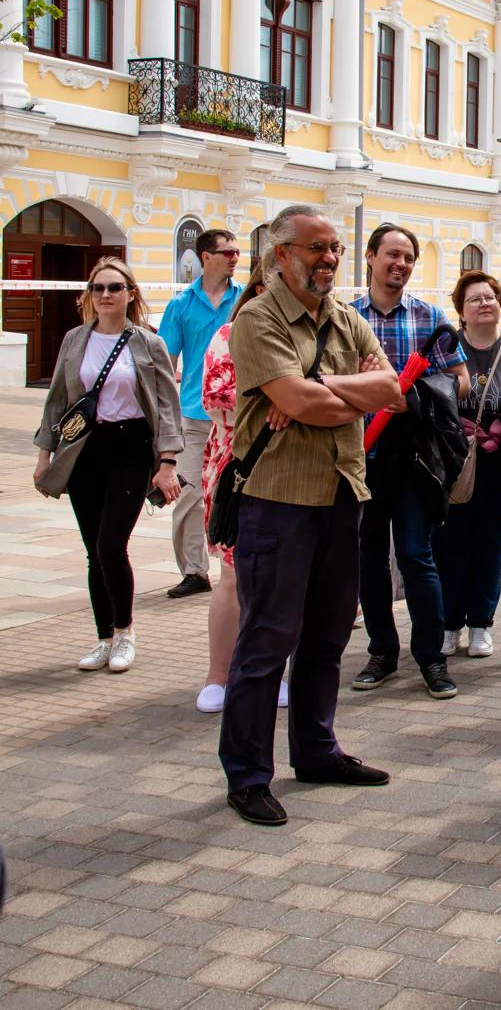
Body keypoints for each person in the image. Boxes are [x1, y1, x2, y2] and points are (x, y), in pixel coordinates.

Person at [220, 205, 400, 827]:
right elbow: (297, 400)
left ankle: (317, 753)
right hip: (277, 499)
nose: (329, 259)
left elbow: (393, 392)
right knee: (267, 640)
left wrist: (316, 390)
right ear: (281, 255)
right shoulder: (258, 318)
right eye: (317, 249)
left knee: (328, 636)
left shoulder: (346, 318)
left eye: (336, 250)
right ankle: (247, 775)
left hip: (341, 493)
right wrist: (320, 393)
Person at [33, 257, 183, 673]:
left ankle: (125, 633)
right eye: (98, 288)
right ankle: (103, 638)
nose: (105, 295)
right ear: (89, 295)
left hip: (132, 448)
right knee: (92, 552)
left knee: (110, 545)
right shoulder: (75, 340)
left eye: (114, 288)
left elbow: (168, 406)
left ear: (130, 294)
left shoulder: (148, 343)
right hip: (85, 450)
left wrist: (167, 462)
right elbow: (58, 402)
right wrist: (44, 455)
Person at [350, 224, 470, 701]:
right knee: (369, 557)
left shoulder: (428, 316)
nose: (399, 264)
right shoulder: (345, 317)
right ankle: (382, 652)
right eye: (392, 255)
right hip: (361, 455)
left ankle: (431, 659)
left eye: (408, 258)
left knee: (417, 556)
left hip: (416, 458)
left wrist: (417, 395)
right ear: (371, 256)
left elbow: (461, 380)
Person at [197, 265, 291, 714]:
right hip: (239, 469)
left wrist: (291, 398)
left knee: (279, 580)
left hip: (293, 467)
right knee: (234, 577)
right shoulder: (230, 332)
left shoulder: (304, 334)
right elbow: (219, 398)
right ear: (257, 288)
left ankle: (273, 674)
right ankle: (220, 675)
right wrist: (285, 398)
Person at [433, 271, 501, 658]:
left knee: (491, 545)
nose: (484, 303)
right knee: (449, 545)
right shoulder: (447, 348)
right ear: (461, 311)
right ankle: (448, 624)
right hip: (454, 463)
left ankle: (480, 624)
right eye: (474, 299)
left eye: (490, 297)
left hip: (500, 464)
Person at [158, 228, 242, 599]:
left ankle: (236, 561)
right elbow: (164, 363)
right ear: (205, 257)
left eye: (238, 251)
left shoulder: (247, 300)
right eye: (227, 252)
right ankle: (194, 571)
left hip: (239, 415)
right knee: (190, 495)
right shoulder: (181, 305)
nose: (235, 257)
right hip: (194, 416)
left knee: (239, 492)